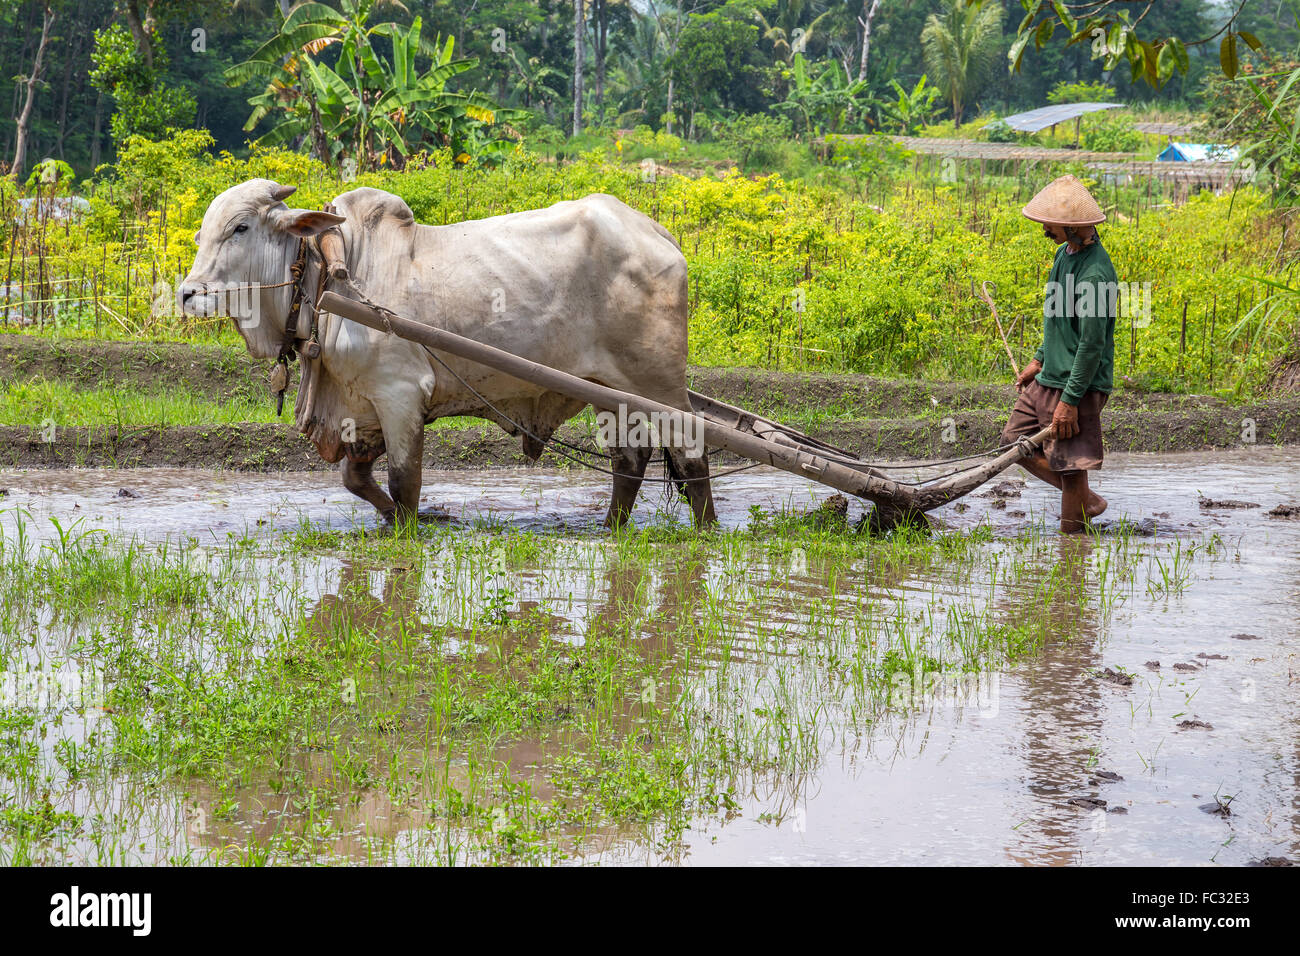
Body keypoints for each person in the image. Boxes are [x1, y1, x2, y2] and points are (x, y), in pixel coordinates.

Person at [1002, 174, 1117, 534]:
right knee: (1012, 444)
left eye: (1050, 224)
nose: (1045, 229)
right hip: (1050, 375)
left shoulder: (1095, 274)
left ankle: (1071, 557)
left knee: (1069, 468)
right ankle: (1088, 500)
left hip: (1076, 384)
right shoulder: (1062, 254)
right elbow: (1057, 318)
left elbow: (1092, 344)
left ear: (1071, 225)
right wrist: (1038, 360)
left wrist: (1070, 400)